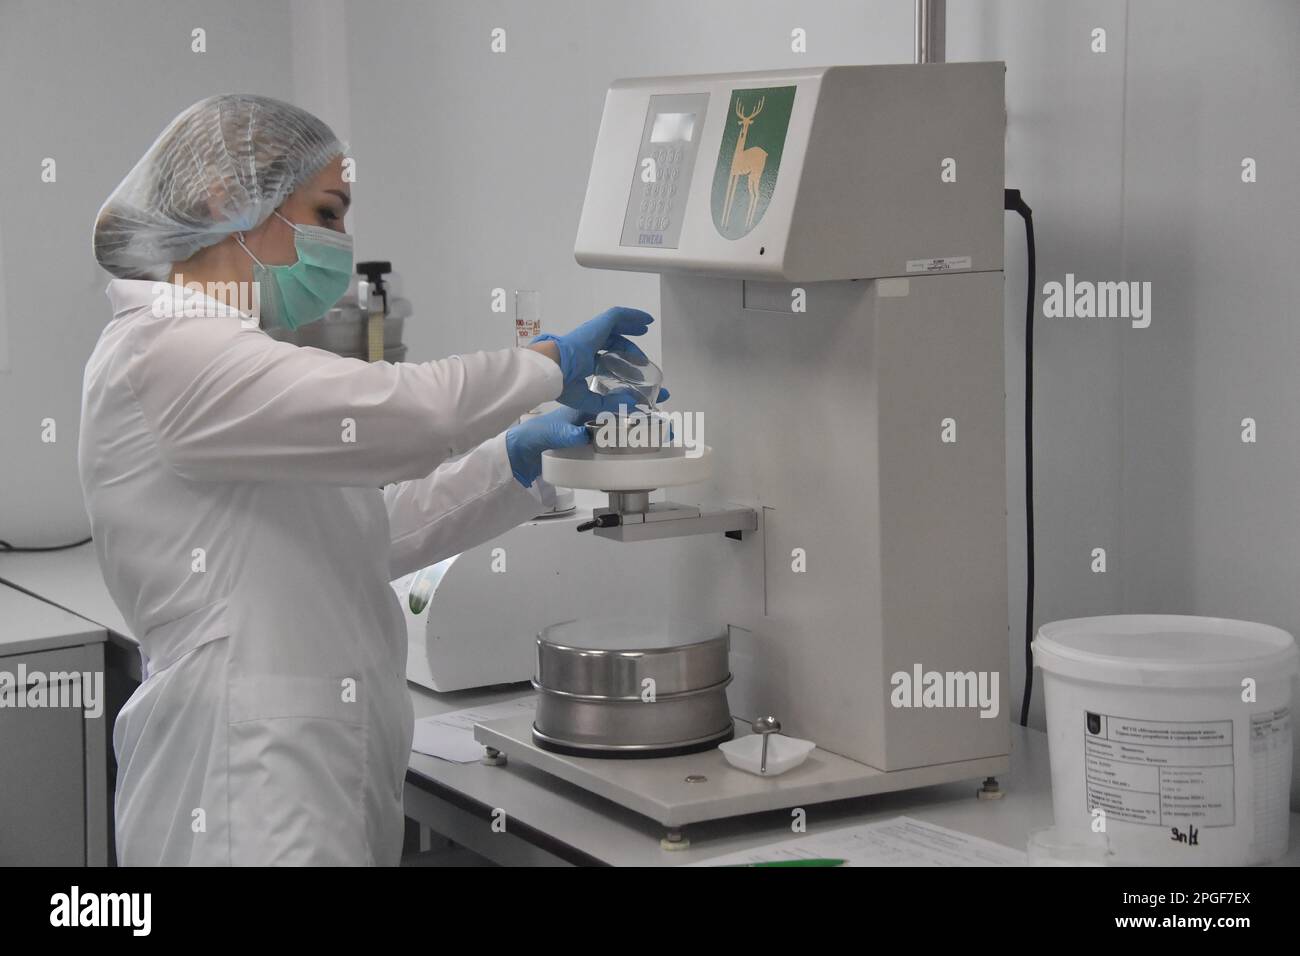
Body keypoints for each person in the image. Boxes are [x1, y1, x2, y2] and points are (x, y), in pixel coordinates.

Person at [80, 94, 660, 865]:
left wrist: (512, 464)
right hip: (238, 791)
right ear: (227, 198)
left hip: (299, 769)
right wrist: (544, 365)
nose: (339, 244)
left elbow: (362, 536)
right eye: (327, 211)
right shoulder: (167, 352)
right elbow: (403, 415)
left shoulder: (222, 357)